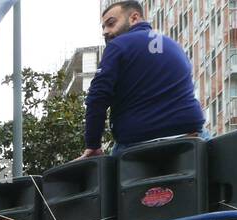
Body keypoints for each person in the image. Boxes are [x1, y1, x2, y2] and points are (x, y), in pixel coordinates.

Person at [79, 2, 206, 158]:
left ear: (134, 18)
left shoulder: (117, 46)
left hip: (136, 143)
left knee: (104, 177)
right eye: (103, 28)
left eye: (111, 24)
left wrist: (93, 145)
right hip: (191, 134)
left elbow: (97, 96)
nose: (106, 32)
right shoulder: (174, 45)